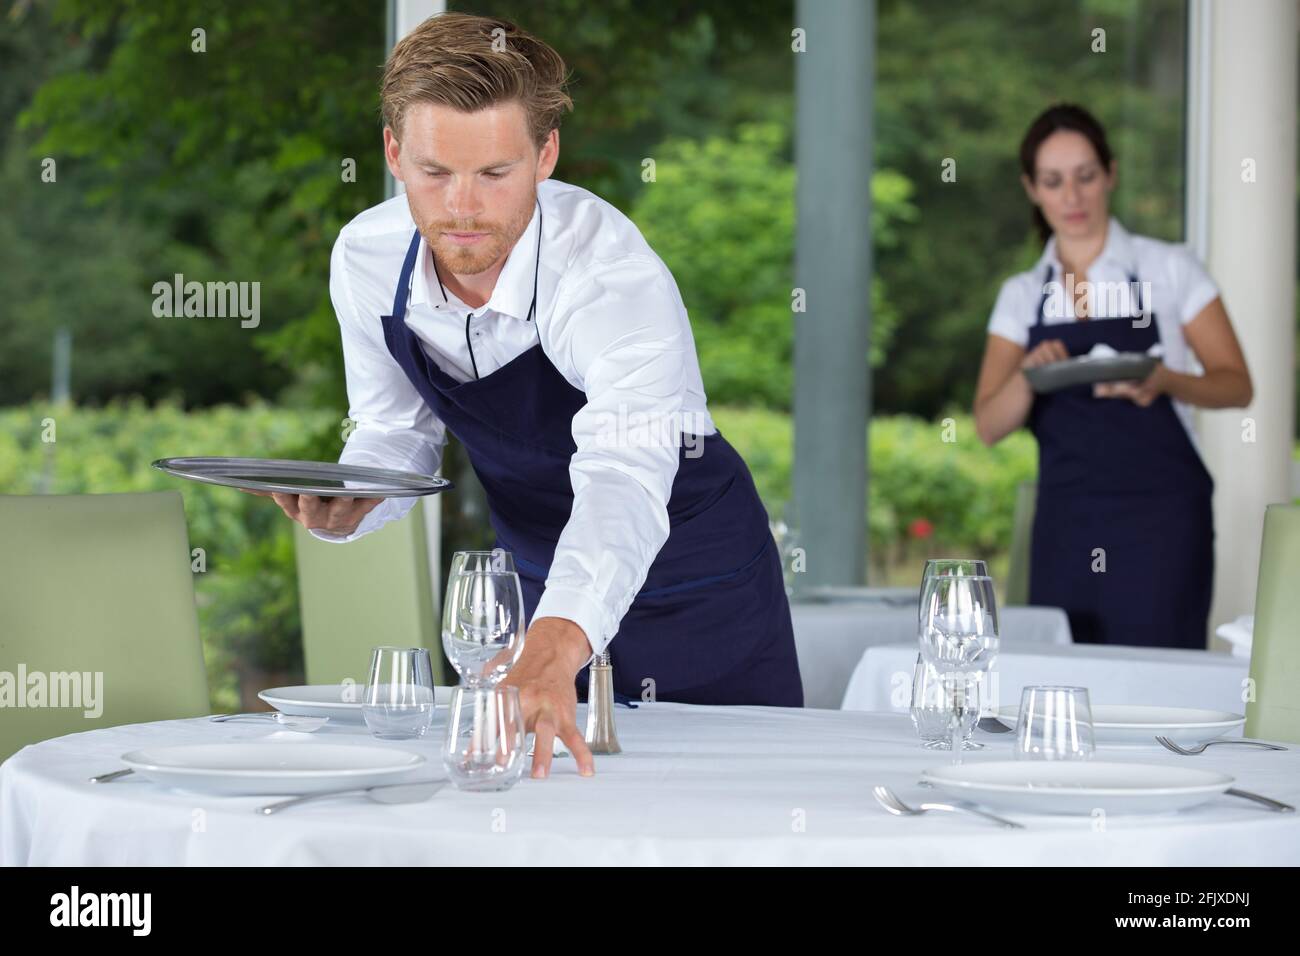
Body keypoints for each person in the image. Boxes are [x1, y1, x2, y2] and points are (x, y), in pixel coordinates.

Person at [262, 12, 803, 777]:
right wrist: (362, 494)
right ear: (392, 154)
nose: (462, 208)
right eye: (434, 172)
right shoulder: (365, 258)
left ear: (545, 154)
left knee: (735, 814)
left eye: (493, 173)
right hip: (535, 580)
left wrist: (557, 641)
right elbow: (395, 429)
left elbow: (622, 475)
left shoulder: (611, 274)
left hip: (695, 582)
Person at [973, 103, 1252, 649]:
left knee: (1162, 683)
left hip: (1163, 520)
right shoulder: (1023, 295)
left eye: (1086, 177)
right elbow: (987, 424)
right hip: (1067, 519)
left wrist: (1166, 380)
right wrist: (1029, 376)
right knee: (1060, 677)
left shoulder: (1170, 268)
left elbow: (1235, 384)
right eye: (1053, 182)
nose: (1072, 198)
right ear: (1032, 188)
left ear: (1111, 174)